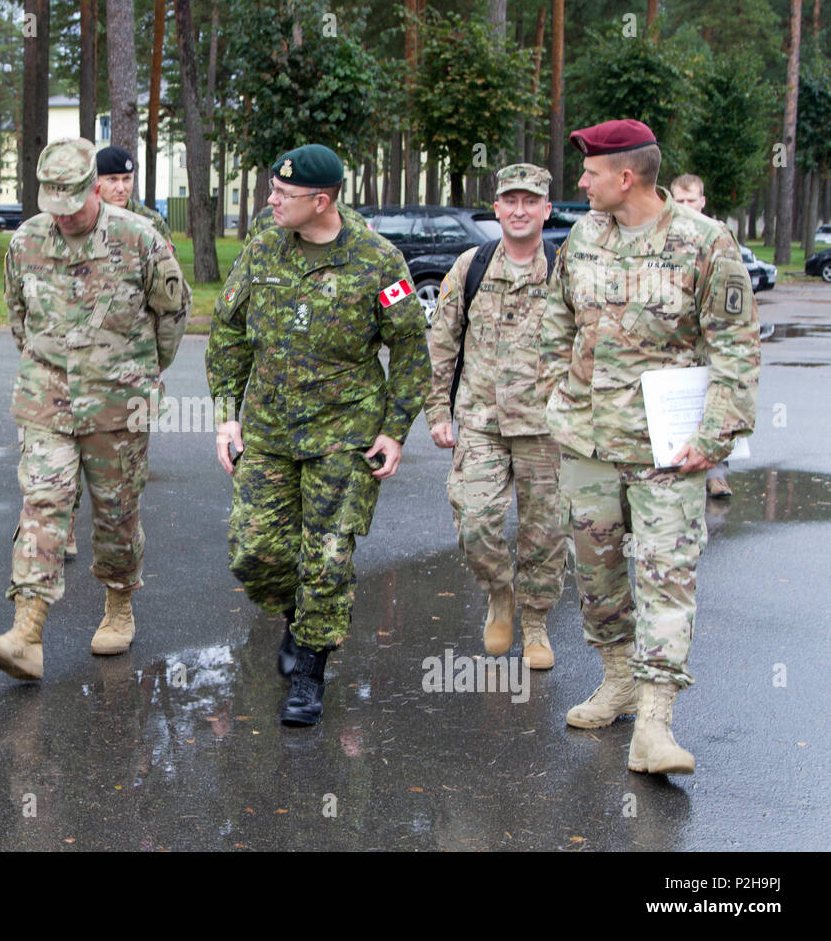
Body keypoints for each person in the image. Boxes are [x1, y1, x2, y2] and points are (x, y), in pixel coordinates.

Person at [539, 119, 760, 774]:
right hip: (587, 443)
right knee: (598, 577)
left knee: (667, 577)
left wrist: (714, 436)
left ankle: (656, 725)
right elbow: (556, 319)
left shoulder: (706, 241)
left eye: (591, 173)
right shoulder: (583, 237)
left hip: (668, 449)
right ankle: (619, 682)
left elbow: (736, 345)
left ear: (626, 176)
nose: (582, 183)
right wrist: (555, 393)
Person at [207, 143, 431, 726]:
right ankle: (299, 615)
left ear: (322, 202)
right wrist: (227, 414)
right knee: (254, 552)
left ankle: (309, 671)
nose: (271, 200)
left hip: (344, 434)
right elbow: (227, 331)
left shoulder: (378, 261)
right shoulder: (262, 248)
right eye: (273, 189)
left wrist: (395, 430)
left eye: (284, 194)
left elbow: (410, 350)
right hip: (268, 431)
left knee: (328, 556)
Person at [0, 137, 191, 681]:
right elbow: (18, 316)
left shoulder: (140, 239)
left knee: (117, 515)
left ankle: (119, 603)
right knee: (44, 503)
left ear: (95, 189)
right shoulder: (26, 241)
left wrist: (139, 372)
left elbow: (172, 313)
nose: (64, 216)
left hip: (118, 404)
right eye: (55, 205)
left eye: (73, 205)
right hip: (46, 399)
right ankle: (26, 633)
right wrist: (46, 368)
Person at [424, 163, 566, 670]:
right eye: (511, 200)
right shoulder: (472, 266)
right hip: (481, 420)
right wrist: (437, 409)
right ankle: (500, 593)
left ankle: (536, 623)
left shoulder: (565, 270)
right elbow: (442, 341)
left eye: (531, 201)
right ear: (497, 208)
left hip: (546, 426)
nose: (520, 210)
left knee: (545, 534)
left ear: (547, 210)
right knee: (475, 520)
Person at [670, 173, 733, 500]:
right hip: (678, 346)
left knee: (715, 409)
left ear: (702, 201)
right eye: (679, 200)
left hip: (709, 341)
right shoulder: (665, 238)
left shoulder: (718, 238)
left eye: (690, 200)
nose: (685, 206)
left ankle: (718, 475)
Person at [96, 144, 172, 246]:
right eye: (112, 179)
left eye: (126, 179)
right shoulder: (85, 219)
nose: (121, 188)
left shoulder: (152, 221)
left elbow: (168, 256)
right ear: (96, 181)